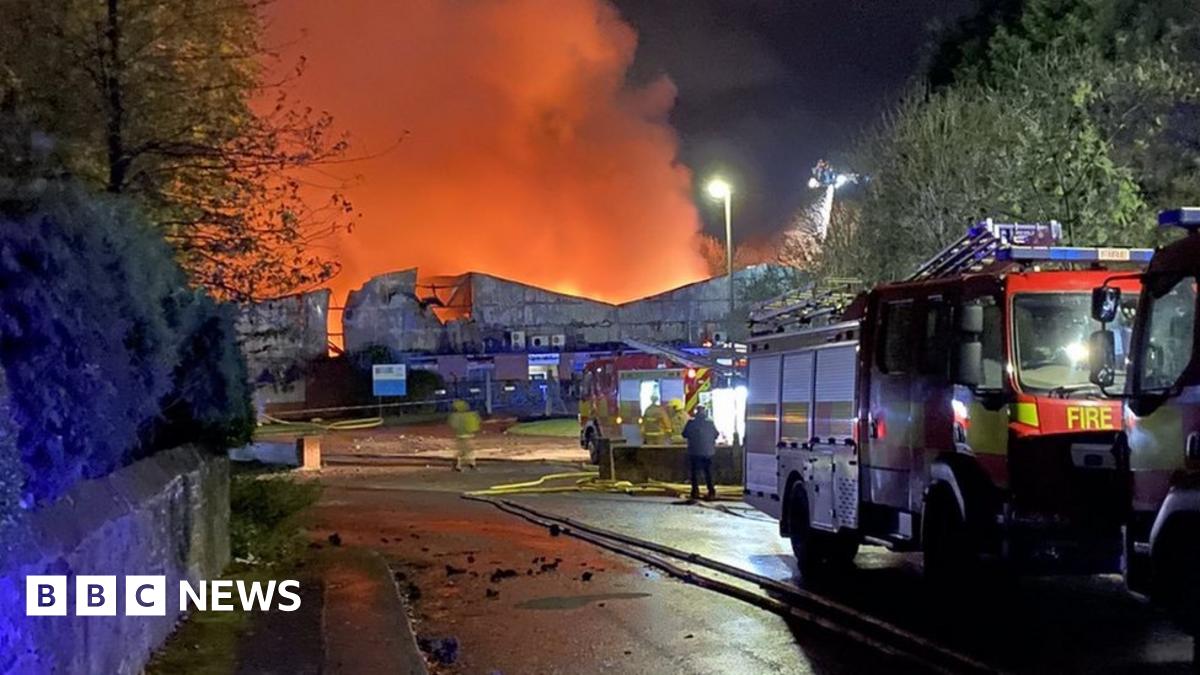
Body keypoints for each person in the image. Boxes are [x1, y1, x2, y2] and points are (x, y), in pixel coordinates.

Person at [682, 405, 719, 501]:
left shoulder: (691, 423)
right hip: (708, 452)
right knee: (708, 473)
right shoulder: (710, 423)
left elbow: (684, 434)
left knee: (694, 473)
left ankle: (695, 492)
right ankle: (711, 492)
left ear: (696, 413)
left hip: (694, 452)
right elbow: (716, 434)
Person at [448, 399, 481, 471]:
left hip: (459, 436)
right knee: (468, 451)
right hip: (468, 436)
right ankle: (468, 464)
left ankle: (466, 464)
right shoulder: (470, 415)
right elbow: (474, 426)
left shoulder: (455, 416)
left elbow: (453, 425)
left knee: (463, 451)